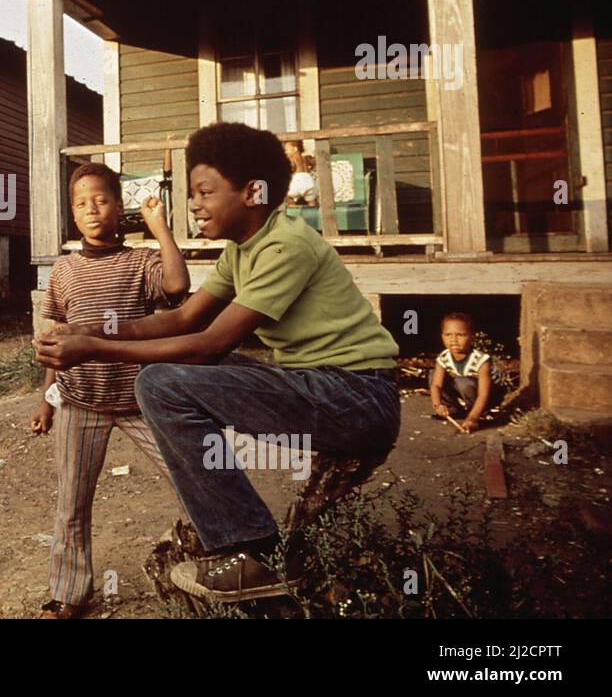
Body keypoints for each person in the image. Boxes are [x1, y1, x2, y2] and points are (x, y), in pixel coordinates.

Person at [34, 122, 400, 604]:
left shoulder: (285, 244)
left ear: (252, 193)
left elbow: (209, 344)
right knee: (167, 378)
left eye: (205, 192)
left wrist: (96, 349)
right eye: (192, 193)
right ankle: (246, 548)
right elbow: (181, 317)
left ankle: (250, 549)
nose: (193, 204)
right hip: (318, 386)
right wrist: (87, 330)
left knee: (161, 384)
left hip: (356, 398)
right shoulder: (242, 250)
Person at [31, 162, 189, 618]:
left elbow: (179, 285)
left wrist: (159, 227)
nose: (91, 210)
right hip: (81, 400)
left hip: (143, 399)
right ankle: (69, 593)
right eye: (81, 204)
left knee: (193, 476)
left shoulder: (141, 261)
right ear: (72, 214)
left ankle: (220, 562)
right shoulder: (63, 270)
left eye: (100, 200)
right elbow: (55, 338)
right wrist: (46, 397)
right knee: (72, 502)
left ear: (119, 208)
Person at [430, 312, 498, 433]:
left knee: (463, 382)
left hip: (483, 398)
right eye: (448, 334)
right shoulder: (443, 357)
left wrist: (472, 418)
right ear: (442, 336)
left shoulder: (481, 360)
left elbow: (483, 394)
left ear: (471, 337)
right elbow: (436, 385)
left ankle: (477, 413)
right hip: (463, 392)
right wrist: (437, 405)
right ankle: (452, 409)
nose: (453, 340)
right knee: (432, 376)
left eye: (460, 335)